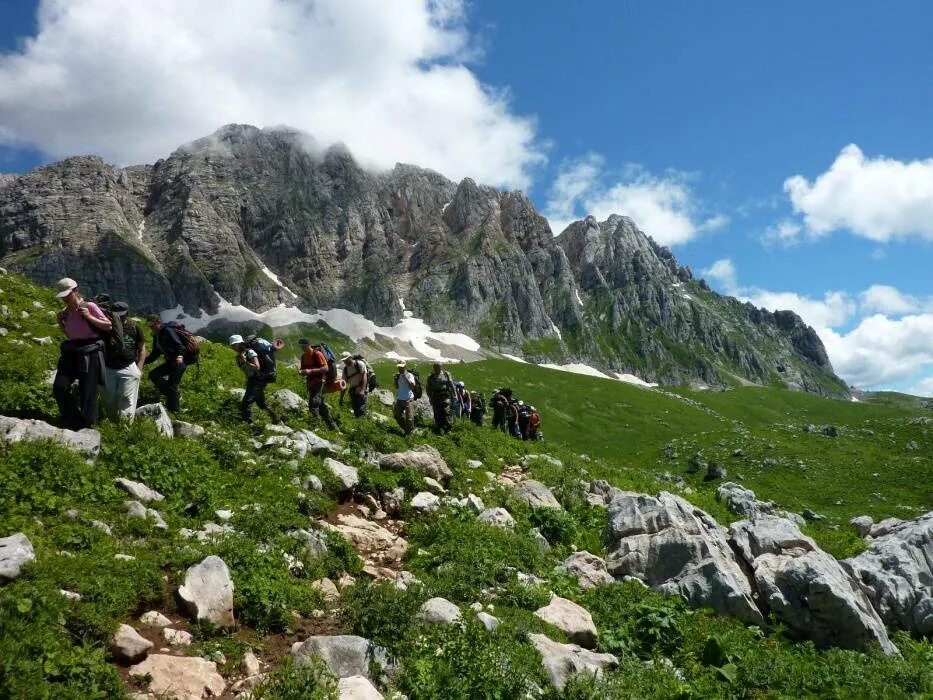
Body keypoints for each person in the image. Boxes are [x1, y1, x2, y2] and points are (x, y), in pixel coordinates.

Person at [52, 277, 111, 428]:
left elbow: (108, 326)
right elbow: (71, 335)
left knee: (88, 391)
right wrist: (60, 323)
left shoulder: (89, 306)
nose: (65, 298)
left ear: (76, 291)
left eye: (67, 294)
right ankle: (73, 418)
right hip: (73, 350)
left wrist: (89, 316)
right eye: (63, 296)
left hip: (90, 351)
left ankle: (89, 426)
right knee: (60, 386)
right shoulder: (66, 312)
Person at [100, 301, 146, 421]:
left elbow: (142, 348)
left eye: (122, 315)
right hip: (108, 367)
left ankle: (125, 426)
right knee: (108, 397)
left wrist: (139, 368)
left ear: (127, 313)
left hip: (128, 367)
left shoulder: (134, 327)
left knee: (127, 398)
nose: (120, 317)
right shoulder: (105, 327)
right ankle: (112, 421)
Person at [144, 316, 195, 414]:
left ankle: (174, 410)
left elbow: (179, 345)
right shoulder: (157, 336)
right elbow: (155, 354)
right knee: (154, 375)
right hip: (171, 362)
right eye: (149, 326)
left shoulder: (167, 330)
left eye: (152, 325)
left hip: (179, 362)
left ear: (158, 322)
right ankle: (172, 396)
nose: (151, 327)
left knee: (172, 386)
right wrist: (142, 361)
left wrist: (180, 356)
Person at [230, 334, 278, 425]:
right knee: (261, 403)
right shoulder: (241, 354)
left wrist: (245, 362)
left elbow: (257, 367)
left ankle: (251, 426)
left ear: (240, 343)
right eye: (232, 345)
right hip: (254, 380)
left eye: (234, 344)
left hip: (257, 380)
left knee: (246, 404)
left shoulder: (250, 352)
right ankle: (276, 419)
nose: (233, 347)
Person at [298, 338, 336, 430]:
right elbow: (304, 370)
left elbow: (325, 369)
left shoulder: (317, 354)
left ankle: (317, 427)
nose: (302, 348)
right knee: (321, 406)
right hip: (310, 383)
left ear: (308, 345)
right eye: (300, 346)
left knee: (313, 403)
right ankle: (333, 427)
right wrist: (302, 372)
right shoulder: (303, 357)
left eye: (303, 346)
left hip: (320, 382)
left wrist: (310, 371)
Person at [426, 361, 455, 433]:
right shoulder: (431, 376)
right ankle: (439, 428)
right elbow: (428, 387)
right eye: (435, 367)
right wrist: (430, 397)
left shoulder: (446, 374)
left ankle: (448, 428)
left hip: (445, 395)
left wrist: (454, 394)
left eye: (438, 367)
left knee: (446, 412)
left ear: (441, 367)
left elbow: (451, 384)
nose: (436, 369)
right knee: (437, 412)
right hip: (435, 396)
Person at [340, 351, 368, 418]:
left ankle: (362, 426)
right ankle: (359, 425)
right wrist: (341, 398)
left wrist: (363, 390)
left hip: (361, 390)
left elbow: (364, 376)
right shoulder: (345, 370)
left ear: (350, 357)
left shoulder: (359, 364)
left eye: (346, 360)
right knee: (355, 410)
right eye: (344, 360)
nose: (345, 362)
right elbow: (344, 384)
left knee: (361, 410)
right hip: (353, 392)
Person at [393, 361, 416, 435]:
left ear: (405, 367)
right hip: (400, 398)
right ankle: (407, 429)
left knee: (409, 418)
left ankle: (409, 434)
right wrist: (395, 380)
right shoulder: (398, 375)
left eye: (402, 367)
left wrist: (405, 377)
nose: (400, 368)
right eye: (399, 367)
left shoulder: (410, 375)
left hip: (408, 399)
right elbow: (397, 387)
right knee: (397, 415)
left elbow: (412, 387)